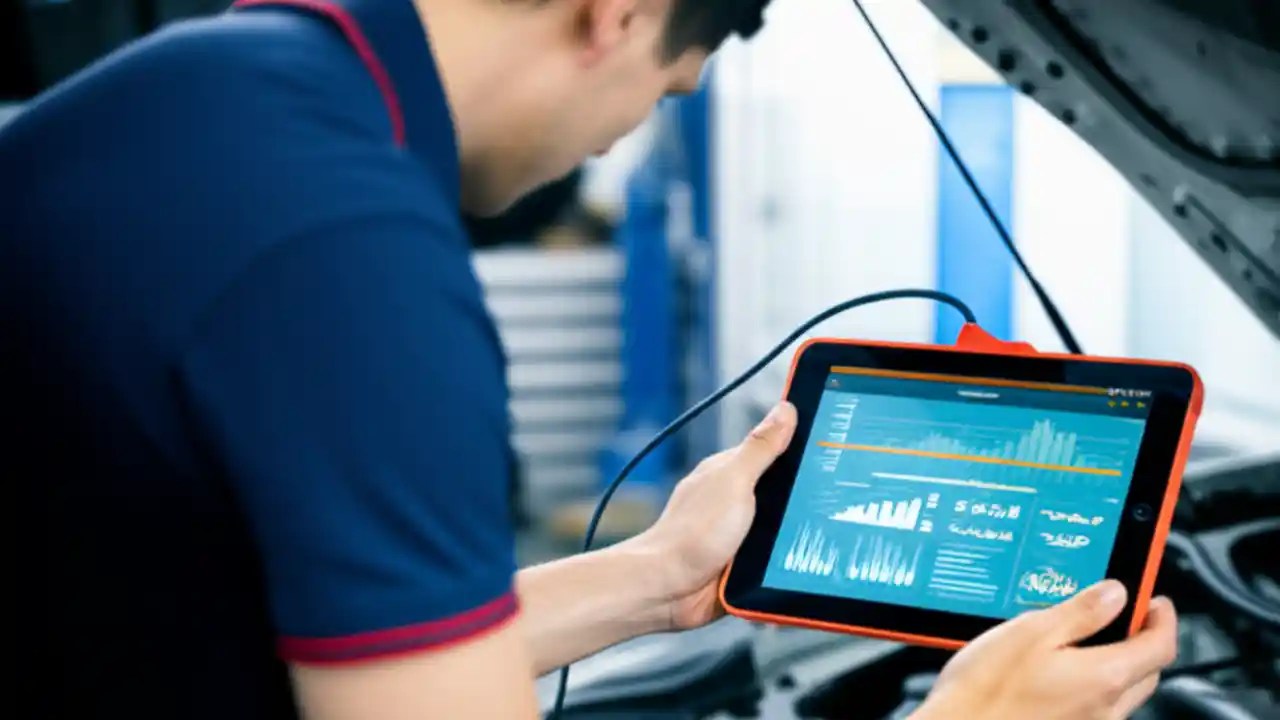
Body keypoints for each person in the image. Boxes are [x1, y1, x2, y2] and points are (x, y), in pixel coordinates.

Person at [1, 0, 1178, 717]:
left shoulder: (206, 87)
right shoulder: (346, 250)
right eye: (665, 87)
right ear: (615, 12)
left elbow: (323, 638)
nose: (627, 129)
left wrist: (661, 573)